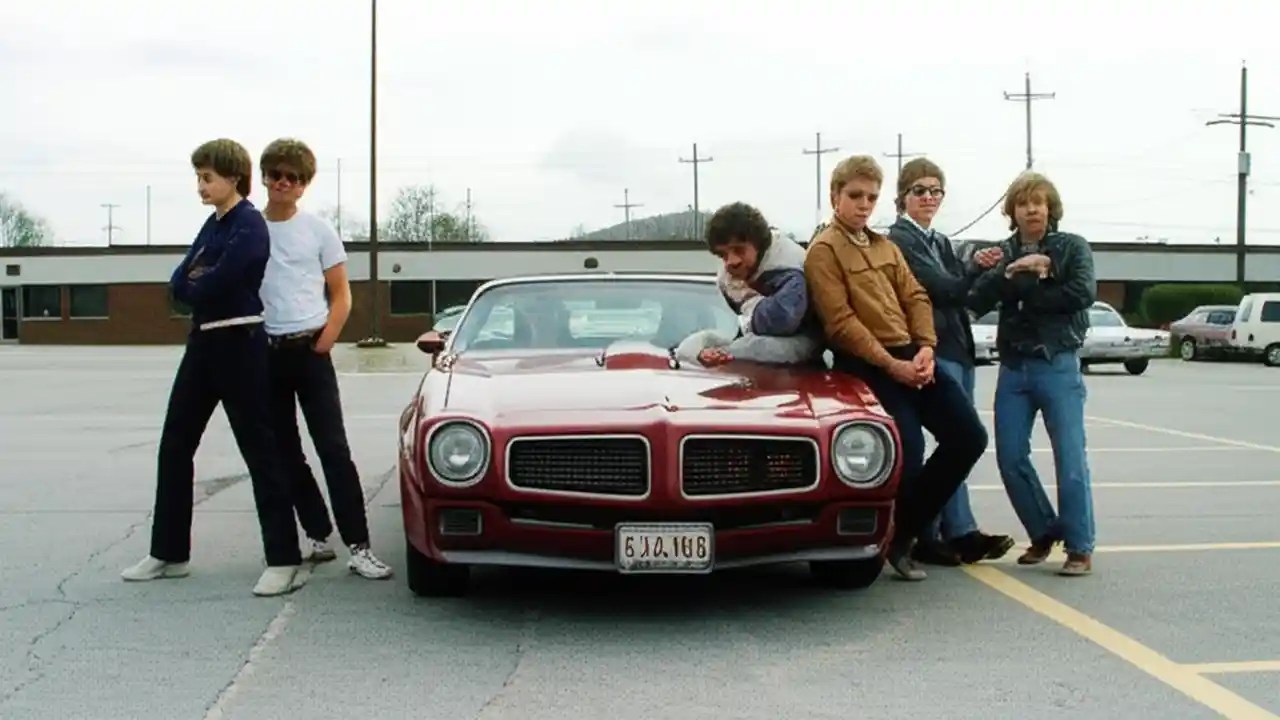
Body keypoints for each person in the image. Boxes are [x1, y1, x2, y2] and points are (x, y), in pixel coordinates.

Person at [122, 139, 307, 597]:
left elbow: (217, 282)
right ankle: (169, 553)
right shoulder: (213, 224)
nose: (200, 186)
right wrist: (194, 280)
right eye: (198, 178)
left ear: (233, 178)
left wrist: (197, 281)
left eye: (207, 177)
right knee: (175, 444)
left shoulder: (249, 225)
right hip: (202, 344)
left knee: (259, 450)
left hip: (240, 344)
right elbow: (178, 283)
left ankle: (284, 558)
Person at [804, 154, 988, 581]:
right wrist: (891, 364)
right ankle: (895, 540)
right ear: (835, 196)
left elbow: (917, 298)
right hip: (867, 363)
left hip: (913, 355)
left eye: (871, 197)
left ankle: (902, 530)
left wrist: (925, 347)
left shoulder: (886, 246)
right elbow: (841, 323)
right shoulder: (824, 251)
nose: (864, 205)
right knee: (904, 447)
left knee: (969, 437)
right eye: (855, 196)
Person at [258, 138, 392, 580]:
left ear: (303, 185)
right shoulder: (249, 230)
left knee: (333, 448)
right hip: (267, 354)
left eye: (292, 177)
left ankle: (360, 545)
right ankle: (318, 534)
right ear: (263, 177)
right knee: (284, 452)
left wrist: (326, 338)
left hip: (311, 351)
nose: (282, 182)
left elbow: (341, 293)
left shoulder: (318, 230)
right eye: (275, 174)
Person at [968, 171, 1097, 577]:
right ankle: (1042, 532)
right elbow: (979, 298)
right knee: (1009, 457)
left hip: (1058, 363)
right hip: (1014, 367)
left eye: (1038, 202)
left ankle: (1079, 545)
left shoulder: (1072, 247)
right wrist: (1000, 272)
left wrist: (1043, 271)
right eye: (1023, 203)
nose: (1031, 209)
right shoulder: (1003, 251)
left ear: (1050, 208)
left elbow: (1082, 293)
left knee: (1070, 458)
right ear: (1013, 211)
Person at [886, 158, 1014, 566]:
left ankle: (956, 530)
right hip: (931, 349)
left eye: (935, 191)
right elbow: (944, 288)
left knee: (961, 441)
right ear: (902, 197)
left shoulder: (939, 241)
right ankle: (933, 533)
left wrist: (985, 272)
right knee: (946, 442)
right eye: (919, 190)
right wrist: (975, 269)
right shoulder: (901, 240)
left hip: (959, 346)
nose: (928, 197)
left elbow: (964, 294)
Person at [675, 202, 822, 367]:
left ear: (759, 245)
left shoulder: (788, 267)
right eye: (723, 255)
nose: (731, 262)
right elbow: (743, 326)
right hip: (760, 358)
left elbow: (782, 320)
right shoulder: (727, 279)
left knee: (753, 348)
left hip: (804, 355)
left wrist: (749, 302)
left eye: (739, 250)